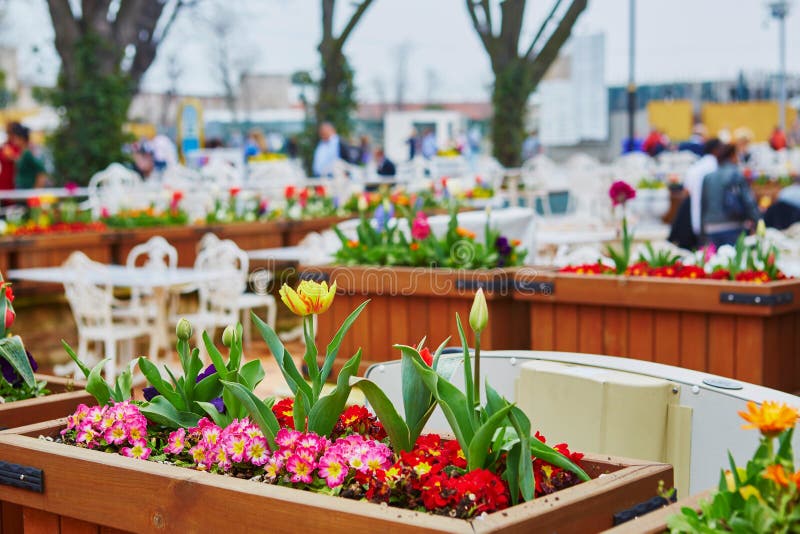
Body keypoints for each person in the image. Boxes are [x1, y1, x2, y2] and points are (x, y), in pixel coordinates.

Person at [700, 143, 761, 247]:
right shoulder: (736, 174)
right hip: (732, 225)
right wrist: (758, 222)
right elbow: (748, 201)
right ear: (732, 156)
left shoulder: (708, 177)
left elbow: (703, 206)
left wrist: (702, 231)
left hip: (710, 227)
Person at [683, 138, 722, 239]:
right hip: (719, 223)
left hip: (697, 222)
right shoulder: (718, 167)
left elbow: (686, 192)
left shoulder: (694, 168)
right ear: (716, 150)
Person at [12, 124, 47, 189]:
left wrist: (37, 188)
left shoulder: (27, 153)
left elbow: (41, 169)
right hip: (21, 187)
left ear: (22, 139)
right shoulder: (23, 152)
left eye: (15, 138)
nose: (14, 141)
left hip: (27, 189)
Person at [0, 122, 22, 192]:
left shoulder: (19, 146)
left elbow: (20, 160)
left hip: (15, 181)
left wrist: (11, 156)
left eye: (10, 132)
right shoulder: (4, 146)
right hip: (4, 180)